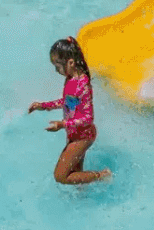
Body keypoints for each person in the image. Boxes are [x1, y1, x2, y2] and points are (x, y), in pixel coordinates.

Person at [25, 37, 111, 185]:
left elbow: (88, 118)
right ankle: (82, 195)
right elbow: (67, 103)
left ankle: (102, 175)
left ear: (71, 62)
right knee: (76, 172)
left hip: (83, 136)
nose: (56, 70)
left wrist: (63, 124)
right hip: (74, 133)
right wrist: (43, 106)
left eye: (58, 66)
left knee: (61, 176)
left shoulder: (83, 84)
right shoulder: (71, 79)